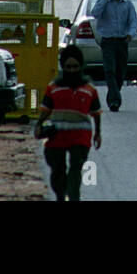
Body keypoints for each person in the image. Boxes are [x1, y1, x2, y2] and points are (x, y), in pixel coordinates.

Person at [35, 45, 102, 201]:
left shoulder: (89, 90)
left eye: (75, 67)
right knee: (57, 171)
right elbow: (46, 109)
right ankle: (60, 195)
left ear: (81, 67)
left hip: (80, 138)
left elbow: (96, 113)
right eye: (68, 67)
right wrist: (39, 125)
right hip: (57, 136)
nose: (72, 70)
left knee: (75, 169)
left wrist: (98, 133)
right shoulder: (54, 88)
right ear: (63, 67)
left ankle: (73, 197)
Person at [91, 0, 137, 111]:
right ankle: (115, 101)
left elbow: (133, 20)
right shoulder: (104, 3)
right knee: (110, 69)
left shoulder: (127, 4)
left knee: (120, 71)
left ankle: (113, 94)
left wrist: (131, 33)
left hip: (122, 41)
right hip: (108, 41)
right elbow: (95, 14)